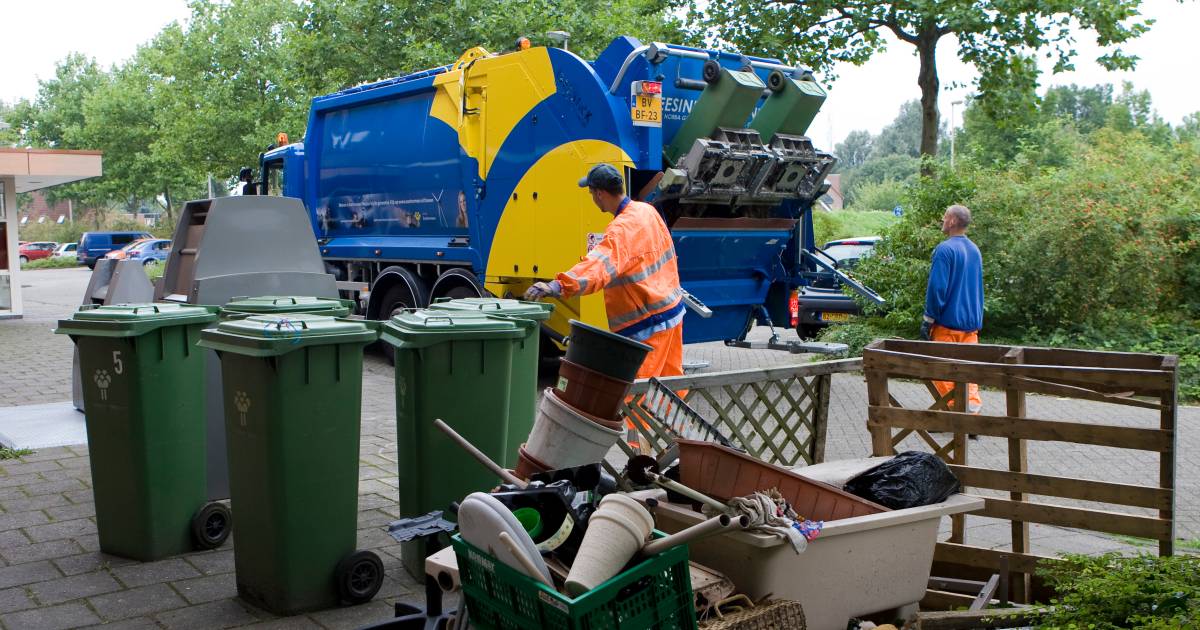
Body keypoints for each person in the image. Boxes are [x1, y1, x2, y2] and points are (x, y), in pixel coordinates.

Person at [524, 164, 684, 380]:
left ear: (599, 193)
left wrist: (558, 285)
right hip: (672, 311)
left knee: (637, 395)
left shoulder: (621, 229)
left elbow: (597, 267)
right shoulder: (647, 211)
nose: (592, 198)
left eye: (591, 193)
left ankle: (641, 416)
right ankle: (666, 416)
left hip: (648, 325)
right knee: (669, 385)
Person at [922, 204, 984, 413]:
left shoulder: (945, 250)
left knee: (942, 371)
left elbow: (937, 288)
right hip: (970, 326)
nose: (942, 219)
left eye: (945, 216)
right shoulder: (974, 250)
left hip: (947, 324)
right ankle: (971, 410)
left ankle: (963, 415)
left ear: (953, 221)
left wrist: (928, 319)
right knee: (968, 373)